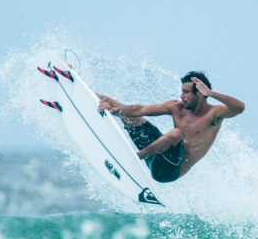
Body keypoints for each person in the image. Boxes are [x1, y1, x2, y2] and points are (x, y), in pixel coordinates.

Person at [98, 71, 245, 183]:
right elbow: (139, 109)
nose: (182, 96)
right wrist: (114, 110)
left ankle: (132, 160)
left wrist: (211, 93)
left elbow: (239, 107)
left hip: (168, 170)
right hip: (156, 151)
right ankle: (89, 92)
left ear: (200, 94)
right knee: (131, 115)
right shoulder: (176, 107)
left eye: (186, 92)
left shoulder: (214, 114)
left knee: (176, 134)